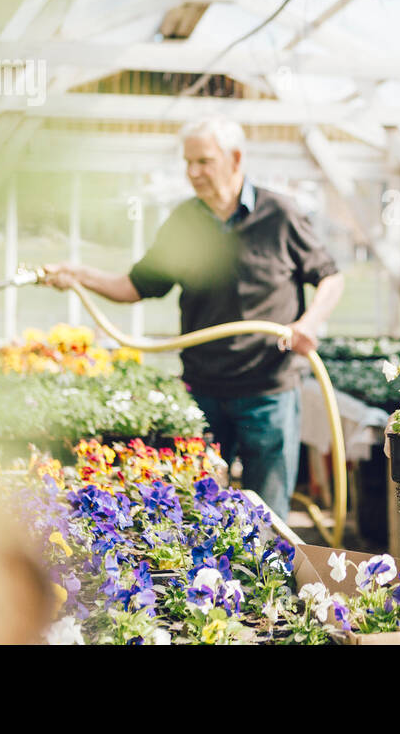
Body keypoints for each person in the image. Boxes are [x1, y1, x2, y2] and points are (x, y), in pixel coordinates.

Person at [41, 116, 345, 520]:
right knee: (198, 511)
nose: (193, 173)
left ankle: (268, 582)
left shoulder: (280, 215)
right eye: (188, 163)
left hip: (268, 390)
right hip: (203, 392)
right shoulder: (184, 222)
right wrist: (79, 275)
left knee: (268, 516)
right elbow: (134, 286)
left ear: (235, 158)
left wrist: (307, 325)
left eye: (203, 161)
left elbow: (331, 277)